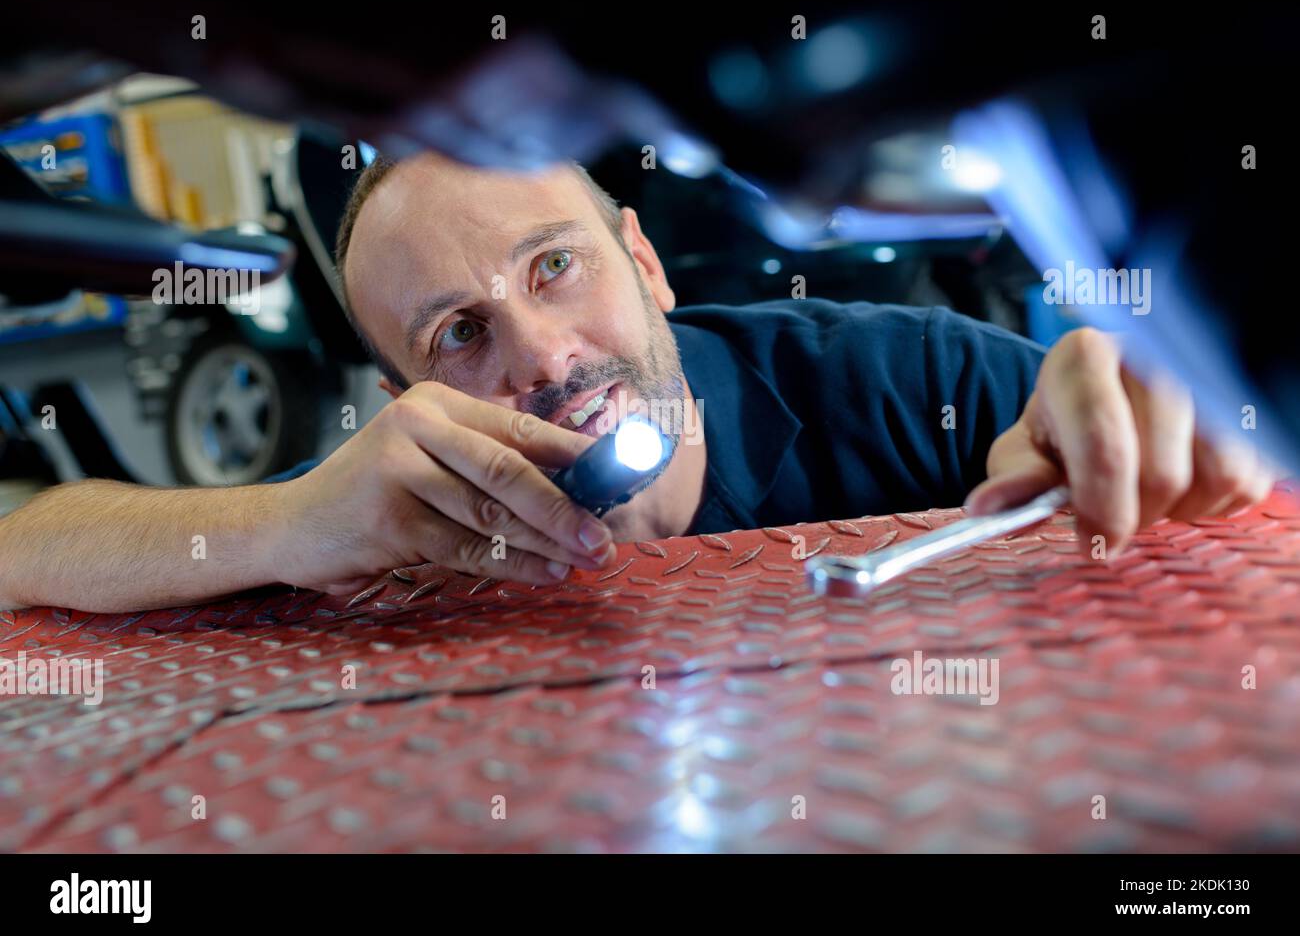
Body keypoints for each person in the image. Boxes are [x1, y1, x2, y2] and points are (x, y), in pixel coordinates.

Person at [0, 152, 1275, 613]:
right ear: (407, 400)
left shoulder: (894, 374)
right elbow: (29, 544)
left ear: (647, 261)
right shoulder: (407, 504)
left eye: (555, 266)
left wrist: (1164, 408)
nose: (543, 359)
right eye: (457, 335)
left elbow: (1202, 465)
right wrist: (281, 524)